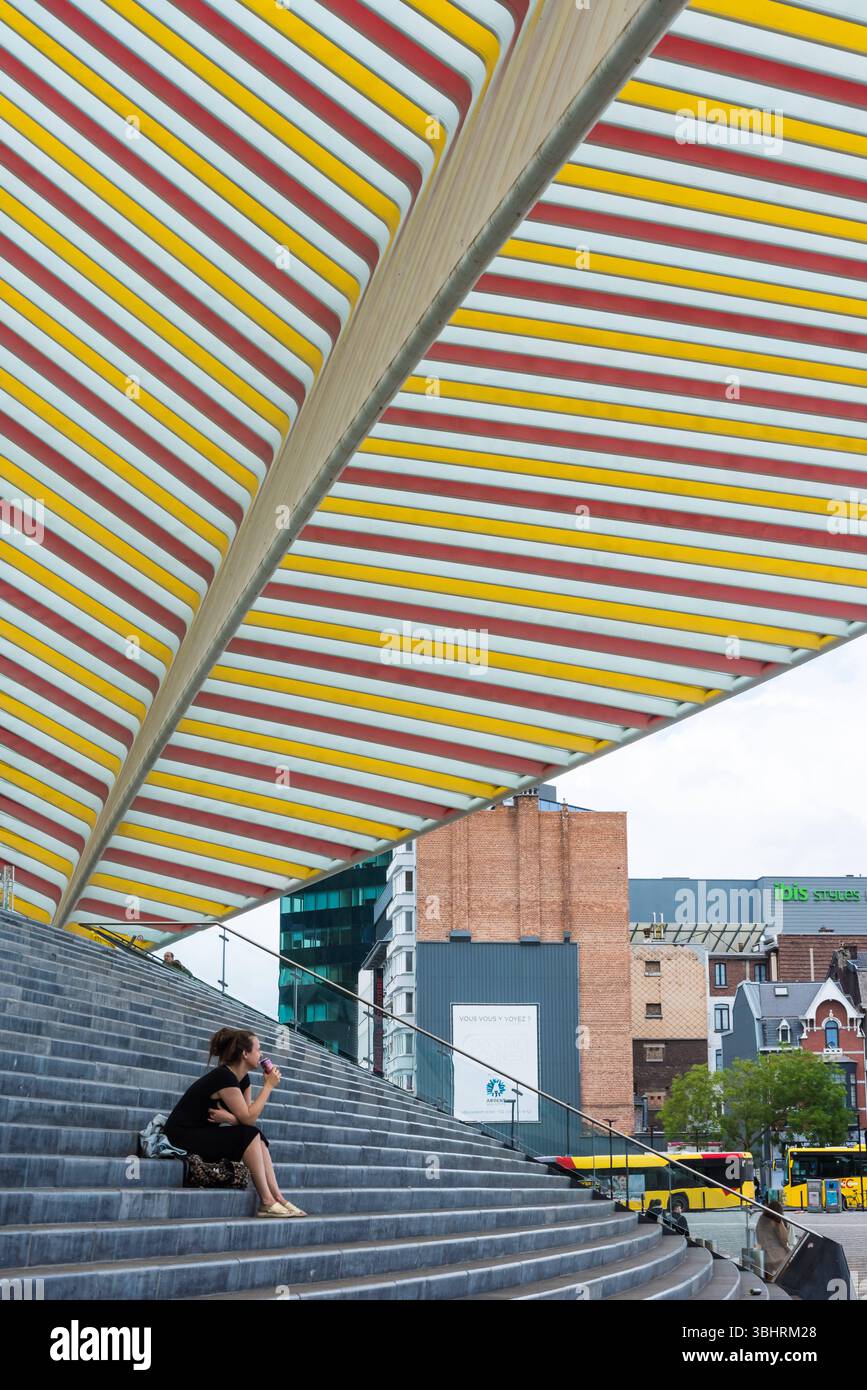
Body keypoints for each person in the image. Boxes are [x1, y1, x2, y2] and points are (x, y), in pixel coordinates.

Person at [163, 1026, 306, 1218]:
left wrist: (229, 1118)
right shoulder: (224, 1077)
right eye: (258, 1049)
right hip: (182, 1134)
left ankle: (279, 1197)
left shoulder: (243, 1079)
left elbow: (245, 1120)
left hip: (202, 1132)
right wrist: (268, 1086)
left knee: (256, 1135)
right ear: (245, 1053)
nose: (261, 1054)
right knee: (251, 1134)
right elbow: (248, 1118)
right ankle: (266, 1201)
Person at [756, 1199, 792, 1278]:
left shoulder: (761, 1220)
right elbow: (784, 1240)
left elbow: (759, 1239)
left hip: (765, 1257)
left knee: (771, 1279)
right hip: (779, 1257)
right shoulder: (778, 1222)